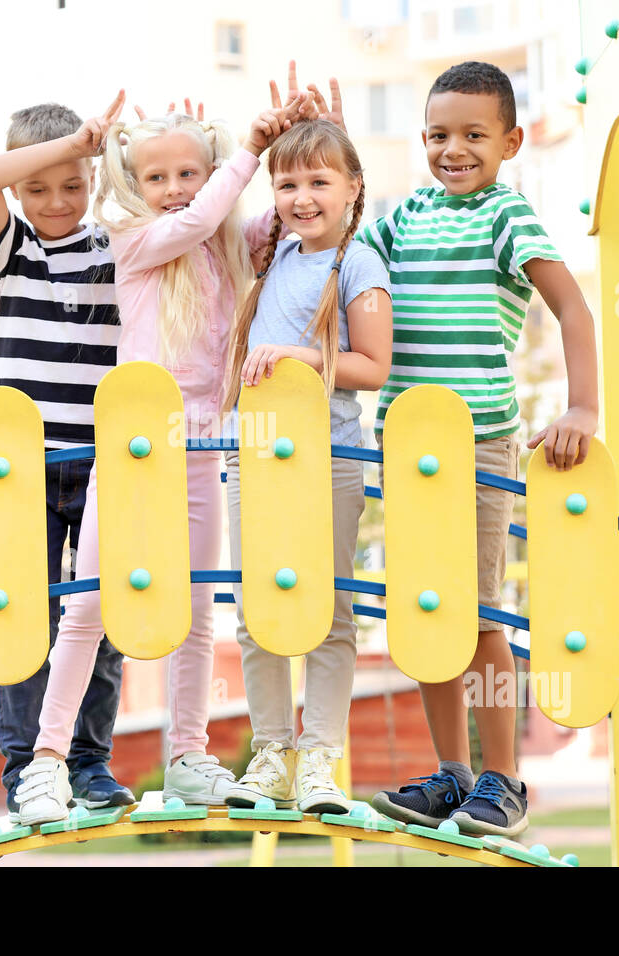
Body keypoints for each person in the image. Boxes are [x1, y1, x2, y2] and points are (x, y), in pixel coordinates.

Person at [14, 94, 310, 825]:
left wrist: (298, 142)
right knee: (85, 608)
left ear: (208, 170)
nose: (174, 187)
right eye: (158, 178)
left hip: (203, 450)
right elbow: (202, 216)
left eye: (189, 172)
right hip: (134, 450)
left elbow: (297, 221)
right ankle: (45, 762)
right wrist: (248, 151)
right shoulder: (134, 242)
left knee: (198, 608)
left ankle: (185, 756)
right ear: (134, 189)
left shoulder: (227, 244)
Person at [359, 61, 599, 837]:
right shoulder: (402, 217)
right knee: (426, 609)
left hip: (478, 439)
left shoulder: (507, 216)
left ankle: (503, 779)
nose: (452, 149)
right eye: (437, 135)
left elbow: (572, 308)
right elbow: (340, 261)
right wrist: (314, 150)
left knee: (481, 615)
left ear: (510, 141)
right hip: (406, 440)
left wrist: (583, 405)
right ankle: (451, 773)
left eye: (472, 135)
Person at [0, 94, 137, 818]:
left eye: (73, 184)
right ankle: (23, 767)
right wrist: (74, 142)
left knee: (99, 617)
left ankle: (89, 763)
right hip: (24, 468)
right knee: (23, 615)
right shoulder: (14, 247)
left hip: (105, 463)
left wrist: (103, 154)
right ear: (19, 190)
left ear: (94, 181)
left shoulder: (116, 247)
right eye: (38, 187)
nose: (58, 200)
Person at [218, 117, 392, 814]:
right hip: (254, 460)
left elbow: (373, 366)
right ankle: (270, 755)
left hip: (329, 458)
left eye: (319, 181)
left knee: (328, 611)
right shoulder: (274, 257)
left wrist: (302, 357)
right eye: (288, 184)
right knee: (255, 609)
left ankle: (318, 756)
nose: (302, 197)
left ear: (353, 188)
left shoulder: (358, 263)